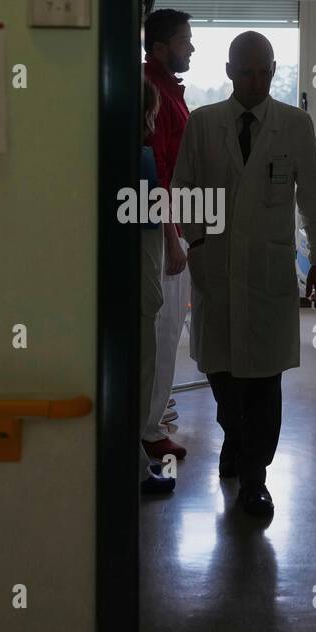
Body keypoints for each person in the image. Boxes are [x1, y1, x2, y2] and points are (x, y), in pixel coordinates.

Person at [172, 31, 316, 518]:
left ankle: (256, 479)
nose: (258, 80)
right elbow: (181, 188)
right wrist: (197, 241)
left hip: (267, 272)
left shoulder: (295, 124)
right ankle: (235, 439)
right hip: (216, 268)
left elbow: (314, 199)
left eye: (266, 71)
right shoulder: (203, 124)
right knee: (221, 372)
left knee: (263, 381)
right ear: (228, 72)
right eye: (247, 71)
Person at [142, 9, 194, 462]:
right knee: (161, 332)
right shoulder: (153, 92)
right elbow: (158, 175)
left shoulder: (168, 91)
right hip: (161, 231)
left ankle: (153, 413)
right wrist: (172, 239)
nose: (191, 47)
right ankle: (148, 429)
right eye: (183, 41)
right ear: (159, 48)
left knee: (168, 329)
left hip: (171, 223)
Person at [138, 79, 176, 494]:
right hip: (140, 296)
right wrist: (155, 296)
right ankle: (136, 467)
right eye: (151, 113)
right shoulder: (144, 161)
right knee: (142, 372)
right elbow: (147, 242)